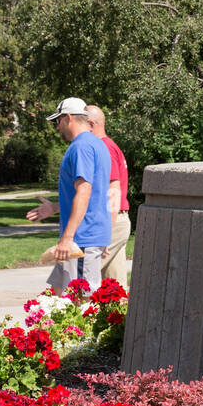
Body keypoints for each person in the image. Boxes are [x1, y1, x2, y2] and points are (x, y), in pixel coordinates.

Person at [26, 97, 111, 296]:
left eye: (57, 121)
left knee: (80, 306)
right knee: (58, 299)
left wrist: (68, 238)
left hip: (81, 240)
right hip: (86, 237)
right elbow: (93, 193)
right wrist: (56, 208)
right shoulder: (96, 144)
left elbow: (85, 192)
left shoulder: (81, 147)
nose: (57, 128)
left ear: (68, 118)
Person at [86, 104, 131, 288]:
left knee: (80, 282)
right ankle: (121, 317)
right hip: (117, 220)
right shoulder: (109, 146)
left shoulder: (103, 147)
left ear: (90, 124)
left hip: (111, 221)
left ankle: (53, 312)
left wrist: (106, 232)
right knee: (114, 289)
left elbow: (113, 190)